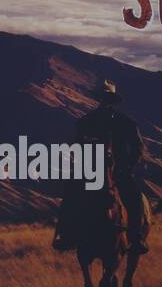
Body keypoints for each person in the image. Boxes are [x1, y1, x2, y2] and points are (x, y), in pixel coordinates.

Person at [53, 80, 150, 253]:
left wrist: (127, 167)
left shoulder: (125, 123)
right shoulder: (85, 122)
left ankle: (136, 237)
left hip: (119, 171)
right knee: (69, 194)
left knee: (135, 198)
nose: (104, 101)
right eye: (102, 98)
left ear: (112, 100)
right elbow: (76, 145)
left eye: (108, 98)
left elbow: (138, 148)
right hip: (91, 170)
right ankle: (65, 235)